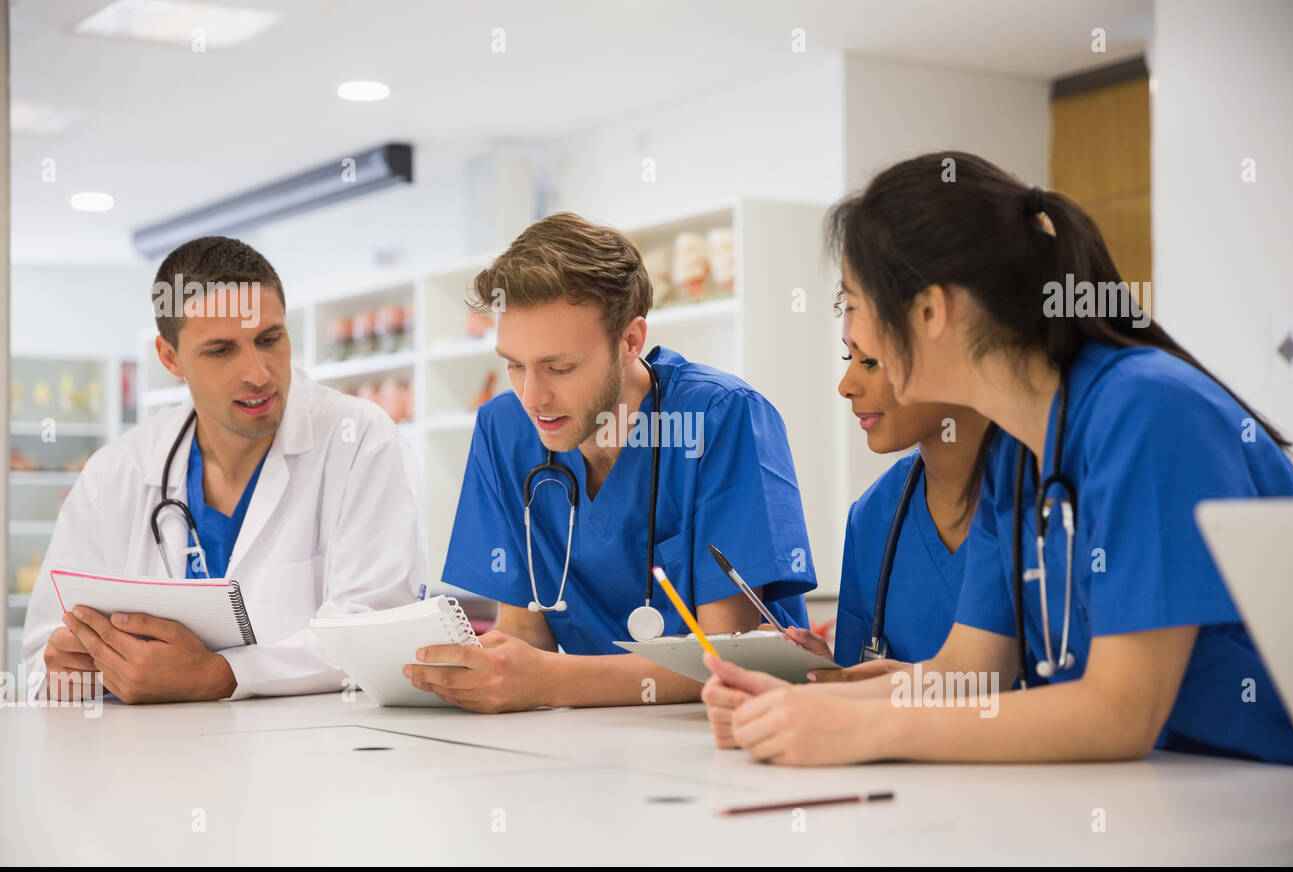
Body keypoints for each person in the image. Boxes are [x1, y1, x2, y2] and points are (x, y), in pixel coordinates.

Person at [704, 151, 1293, 766]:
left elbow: (1120, 714)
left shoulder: (1145, 409)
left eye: (854, 301)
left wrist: (864, 732)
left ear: (932, 311)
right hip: (1166, 787)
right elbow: (969, 671)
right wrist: (798, 701)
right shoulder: (1017, 449)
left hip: (1264, 789)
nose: (850, 336)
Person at [409, 213, 816, 712]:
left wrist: (552, 682)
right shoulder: (504, 429)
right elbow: (524, 639)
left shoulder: (721, 417)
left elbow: (728, 659)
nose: (532, 396)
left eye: (559, 367)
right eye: (514, 365)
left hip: (721, 732)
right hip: (585, 736)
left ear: (629, 342)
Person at [22, 236, 426, 703]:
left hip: (316, 762)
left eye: (269, 339)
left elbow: (376, 634)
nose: (258, 372)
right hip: (149, 762)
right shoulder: (115, 473)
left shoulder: (360, 440)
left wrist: (221, 675)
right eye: (221, 350)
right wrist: (73, 668)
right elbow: (38, 656)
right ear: (171, 357)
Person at [707, 303, 988, 747]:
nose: (845, 386)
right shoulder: (874, 516)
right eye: (848, 358)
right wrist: (824, 677)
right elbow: (872, 680)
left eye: (871, 361)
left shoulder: (1041, 493)